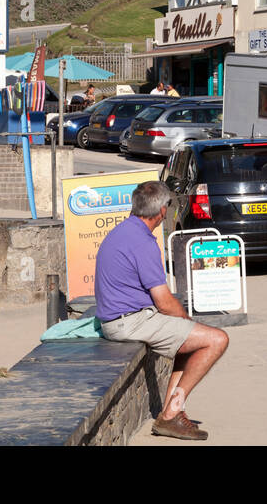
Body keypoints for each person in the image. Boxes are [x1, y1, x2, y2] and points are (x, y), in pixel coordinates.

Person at [95, 181, 229, 441]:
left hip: (119, 318)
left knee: (188, 341)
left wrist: (187, 329)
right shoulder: (142, 242)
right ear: (162, 211)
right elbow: (164, 301)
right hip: (128, 322)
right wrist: (189, 323)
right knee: (216, 340)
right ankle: (169, 416)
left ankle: (171, 411)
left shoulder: (124, 231)